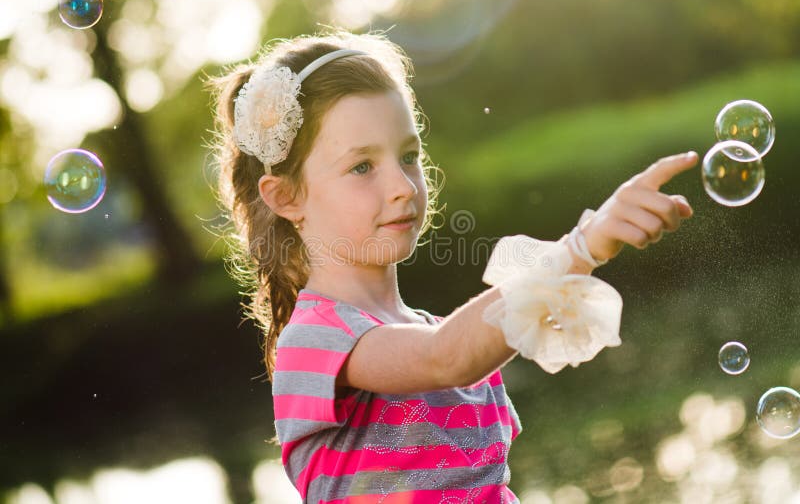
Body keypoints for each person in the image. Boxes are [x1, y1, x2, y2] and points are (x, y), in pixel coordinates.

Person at [205, 28, 698, 503]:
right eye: (362, 167)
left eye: (409, 156)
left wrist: (584, 258)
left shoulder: (440, 331)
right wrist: (583, 245)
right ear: (287, 197)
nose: (402, 185)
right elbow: (446, 358)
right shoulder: (314, 338)